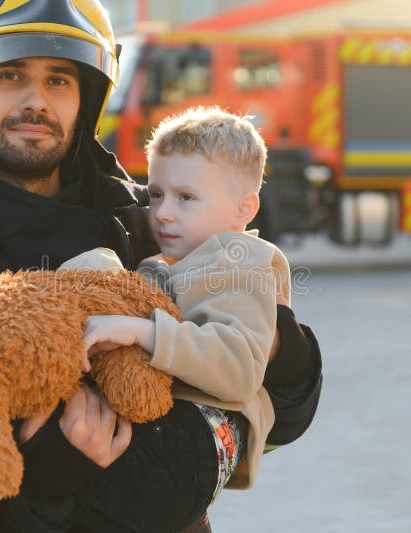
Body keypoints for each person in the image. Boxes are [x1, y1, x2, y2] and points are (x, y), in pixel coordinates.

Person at [0, 1, 323, 532]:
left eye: (58, 79)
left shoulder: (151, 227)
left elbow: (276, 423)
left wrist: (284, 354)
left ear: (88, 97)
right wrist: (43, 482)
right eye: (9, 74)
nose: (36, 101)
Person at [78, 106, 290, 527]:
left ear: (243, 209)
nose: (163, 213)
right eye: (155, 194)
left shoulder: (240, 264)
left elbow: (240, 368)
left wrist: (142, 331)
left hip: (210, 429)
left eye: (186, 198)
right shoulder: (177, 260)